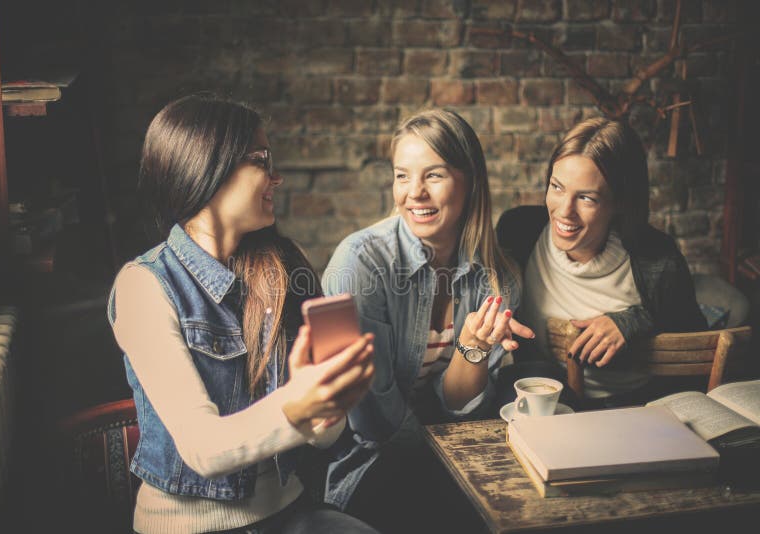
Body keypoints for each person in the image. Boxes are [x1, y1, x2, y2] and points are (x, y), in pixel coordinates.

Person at [107, 93, 379, 534]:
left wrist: (330, 403)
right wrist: (296, 405)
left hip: (291, 512)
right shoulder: (143, 285)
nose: (277, 177)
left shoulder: (285, 265)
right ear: (207, 168)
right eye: (260, 160)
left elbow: (326, 436)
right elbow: (203, 448)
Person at [321, 109, 533, 532]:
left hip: (449, 451)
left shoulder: (500, 278)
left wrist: (471, 349)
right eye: (402, 176)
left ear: (470, 181)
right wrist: (449, 459)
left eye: (433, 175)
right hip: (369, 461)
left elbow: (460, 410)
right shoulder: (361, 263)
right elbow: (372, 418)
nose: (414, 193)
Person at [497, 117, 706, 404]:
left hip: (635, 404)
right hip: (546, 399)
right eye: (557, 187)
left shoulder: (659, 259)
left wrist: (632, 322)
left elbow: (696, 346)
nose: (564, 211)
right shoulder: (518, 231)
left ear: (620, 202)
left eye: (586, 198)